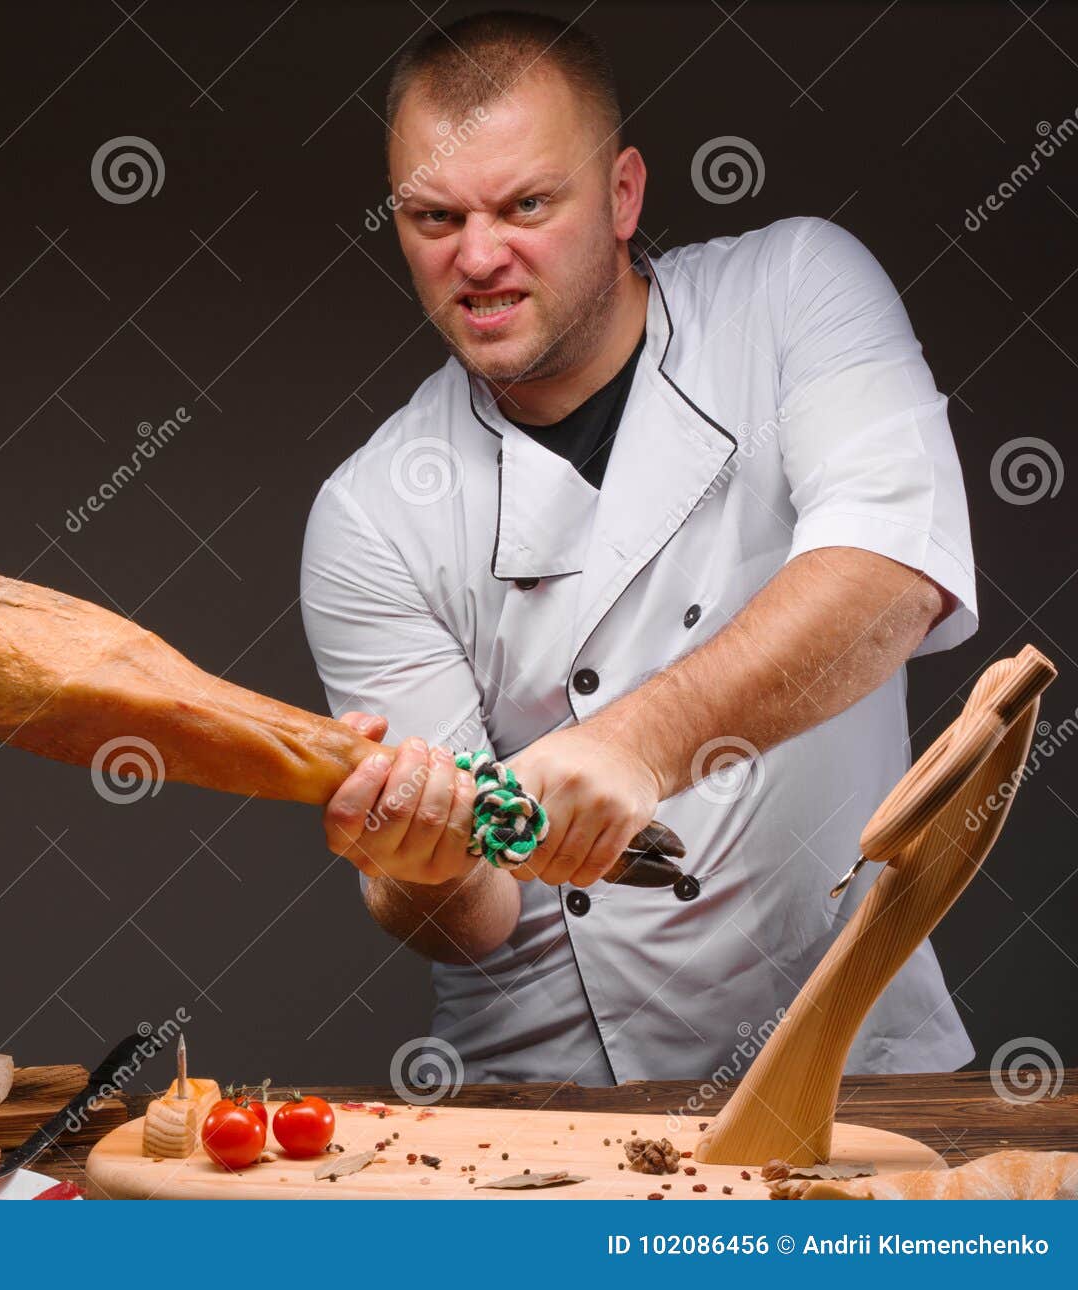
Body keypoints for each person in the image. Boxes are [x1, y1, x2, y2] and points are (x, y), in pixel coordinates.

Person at [300, 11, 978, 1085]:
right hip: (540, 1110)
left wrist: (633, 745)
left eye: (527, 204)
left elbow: (891, 577)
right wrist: (416, 864)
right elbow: (472, 918)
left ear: (622, 194)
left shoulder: (793, 290)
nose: (478, 257)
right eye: (434, 216)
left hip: (856, 1075)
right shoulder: (373, 510)